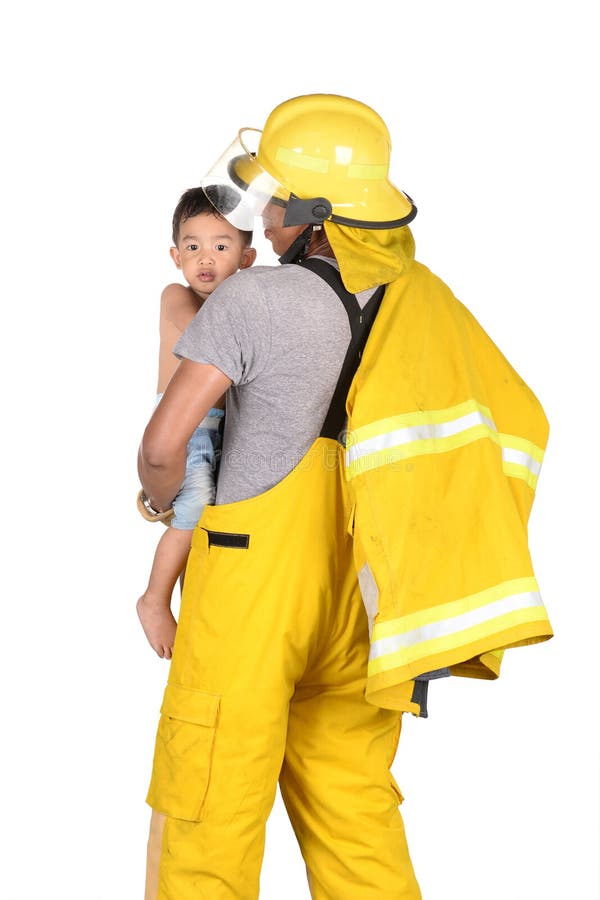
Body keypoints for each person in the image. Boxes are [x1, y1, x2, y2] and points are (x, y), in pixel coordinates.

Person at [138, 94, 553, 899]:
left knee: (210, 807)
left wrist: (163, 507)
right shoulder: (422, 300)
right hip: (368, 592)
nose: (263, 215)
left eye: (272, 200)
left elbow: (163, 444)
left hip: (251, 587)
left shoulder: (255, 299)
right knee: (355, 815)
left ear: (309, 212)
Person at [136, 187, 256, 659]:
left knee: (212, 528)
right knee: (190, 518)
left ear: (245, 257)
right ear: (175, 255)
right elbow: (203, 334)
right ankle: (153, 599)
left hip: (231, 429)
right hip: (193, 428)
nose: (205, 258)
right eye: (192, 247)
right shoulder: (176, 296)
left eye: (221, 247)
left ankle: (197, 607)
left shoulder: (242, 298)